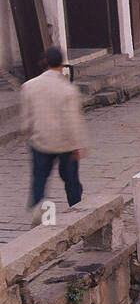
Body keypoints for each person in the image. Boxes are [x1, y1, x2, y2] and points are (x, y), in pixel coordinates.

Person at [21, 45, 87, 222]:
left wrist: (29, 135)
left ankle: (38, 210)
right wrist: (78, 144)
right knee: (71, 181)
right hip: (66, 143)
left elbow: (27, 119)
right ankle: (76, 210)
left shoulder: (29, 86)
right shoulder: (68, 90)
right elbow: (74, 120)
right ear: (62, 64)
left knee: (40, 178)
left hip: (41, 140)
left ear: (43, 62)